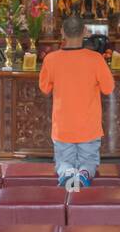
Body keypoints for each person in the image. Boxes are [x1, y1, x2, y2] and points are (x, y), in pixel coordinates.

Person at [39, 13, 115, 188]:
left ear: (62, 32)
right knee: (89, 162)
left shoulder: (51, 59)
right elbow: (108, 88)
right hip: (89, 127)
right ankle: (83, 175)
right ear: (85, 32)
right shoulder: (96, 59)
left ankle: (68, 174)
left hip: (63, 127)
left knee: (63, 161)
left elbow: (45, 89)